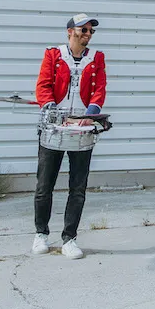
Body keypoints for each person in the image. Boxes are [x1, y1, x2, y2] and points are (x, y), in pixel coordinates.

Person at [32, 14, 106, 259]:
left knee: (78, 188)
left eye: (90, 31)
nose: (87, 34)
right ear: (70, 31)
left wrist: (91, 115)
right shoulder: (53, 55)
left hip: (81, 128)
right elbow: (43, 85)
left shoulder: (97, 59)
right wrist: (51, 108)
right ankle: (41, 234)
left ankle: (69, 238)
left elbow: (99, 90)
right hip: (54, 127)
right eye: (83, 30)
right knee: (45, 186)